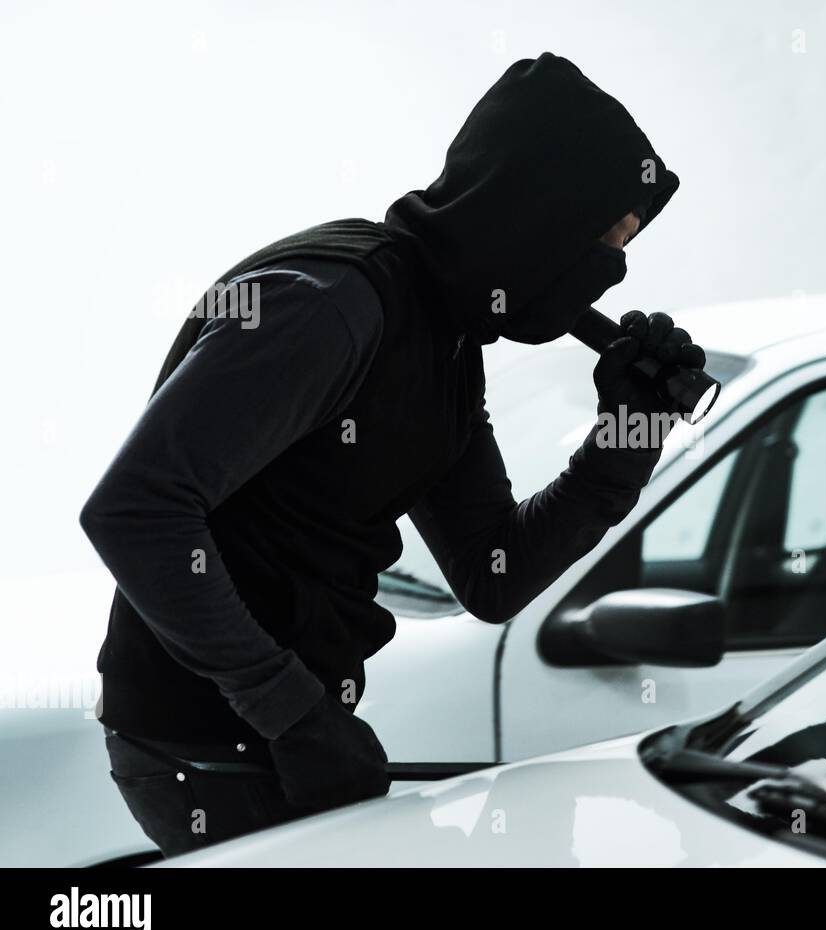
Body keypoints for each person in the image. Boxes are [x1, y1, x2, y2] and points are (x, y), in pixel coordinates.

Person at [79, 52, 704, 857]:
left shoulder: (446, 336)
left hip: (281, 737)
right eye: (606, 242)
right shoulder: (329, 306)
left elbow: (495, 573)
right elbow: (135, 511)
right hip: (200, 749)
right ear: (540, 216)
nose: (610, 276)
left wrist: (628, 436)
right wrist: (294, 712)